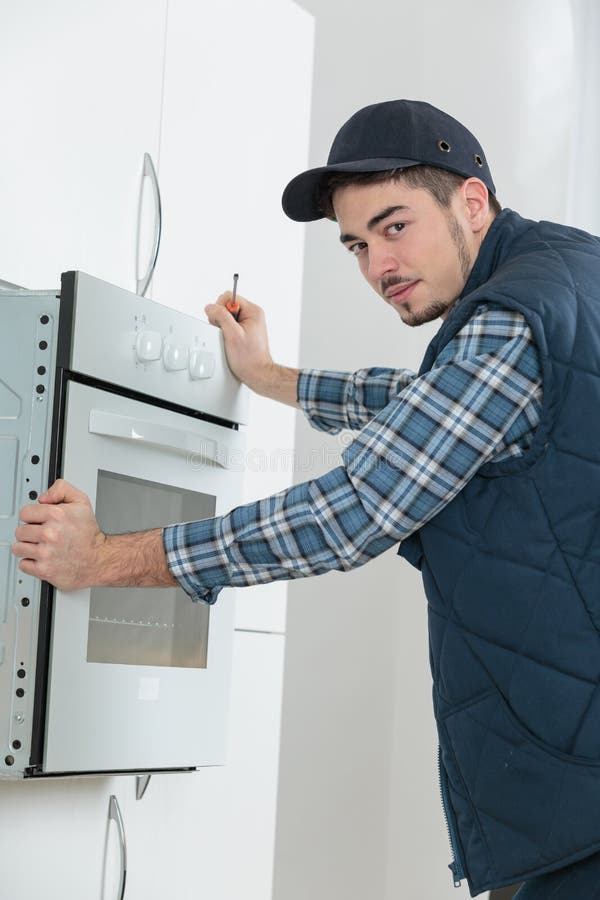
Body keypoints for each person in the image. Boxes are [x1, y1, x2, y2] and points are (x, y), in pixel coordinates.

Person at [12, 99, 600, 899]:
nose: (377, 267)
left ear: (470, 200)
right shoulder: (571, 275)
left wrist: (104, 557)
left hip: (576, 786)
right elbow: (437, 403)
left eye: (395, 227)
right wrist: (269, 377)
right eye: (356, 244)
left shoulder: (504, 320)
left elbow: (353, 510)